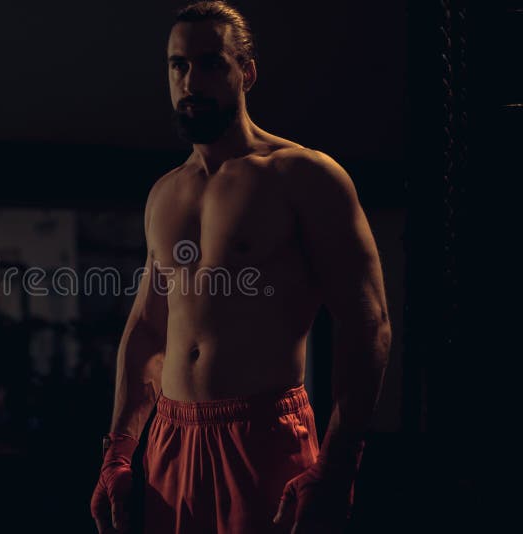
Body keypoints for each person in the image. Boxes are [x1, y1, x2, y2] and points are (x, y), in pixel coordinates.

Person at [90, 1, 391, 533]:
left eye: (210, 63)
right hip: (171, 440)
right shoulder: (165, 193)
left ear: (245, 71)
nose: (190, 80)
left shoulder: (304, 176)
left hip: (261, 436)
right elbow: (146, 330)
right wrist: (117, 453)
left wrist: (340, 462)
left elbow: (369, 324)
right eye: (178, 65)